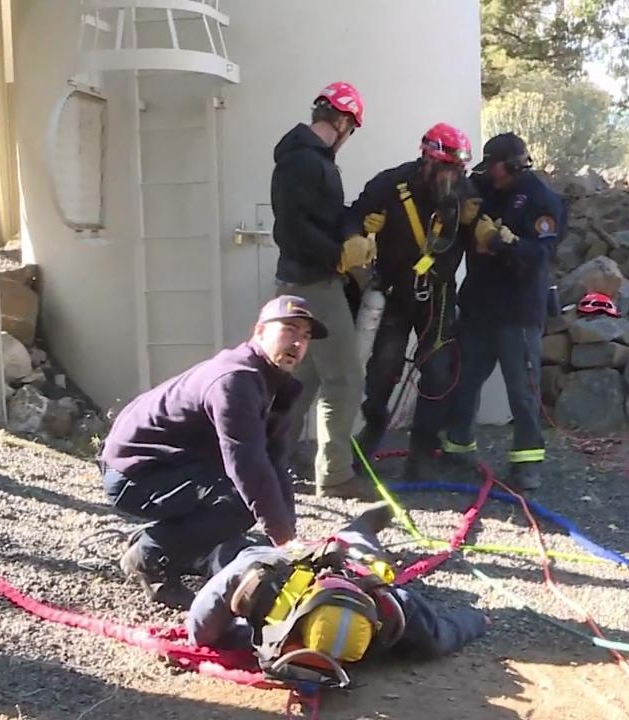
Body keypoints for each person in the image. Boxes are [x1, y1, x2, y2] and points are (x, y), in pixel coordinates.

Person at [98, 295, 327, 608]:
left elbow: (275, 462)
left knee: (246, 504)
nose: (297, 343)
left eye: (305, 336)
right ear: (259, 330)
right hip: (134, 473)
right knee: (240, 503)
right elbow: (248, 465)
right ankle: (149, 556)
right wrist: (284, 540)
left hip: (172, 464)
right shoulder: (237, 380)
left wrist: (292, 542)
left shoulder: (276, 384)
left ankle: (180, 544)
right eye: (289, 329)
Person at [185, 501, 489, 688]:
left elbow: (440, 636)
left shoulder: (393, 609)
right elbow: (439, 635)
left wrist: (476, 620)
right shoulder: (259, 575)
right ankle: (361, 528)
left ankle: (362, 527)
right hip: (311, 560)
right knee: (231, 553)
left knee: (361, 550)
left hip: (356, 566)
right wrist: (478, 619)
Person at [343, 122, 481, 482]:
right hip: (395, 291)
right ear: (427, 160)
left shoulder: (466, 193)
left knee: (438, 374)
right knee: (384, 370)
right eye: (447, 168)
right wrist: (359, 232)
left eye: (459, 169)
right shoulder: (391, 185)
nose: (454, 176)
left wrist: (480, 225)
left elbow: (484, 227)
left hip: (439, 295)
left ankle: (422, 453)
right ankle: (365, 442)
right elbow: (352, 217)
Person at [270, 80, 379, 501]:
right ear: (343, 120)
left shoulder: (313, 160)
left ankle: (272, 458)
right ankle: (334, 476)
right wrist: (338, 256)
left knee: (305, 376)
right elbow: (292, 229)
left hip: (306, 278)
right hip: (313, 282)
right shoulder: (303, 162)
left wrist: (354, 234)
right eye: (352, 126)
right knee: (346, 379)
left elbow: (326, 216)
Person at [440, 133, 566, 491]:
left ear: (509, 165)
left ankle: (527, 463)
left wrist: (502, 243)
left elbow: (543, 253)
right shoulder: (485, 185)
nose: (488, 172)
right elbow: (463, 184)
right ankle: (457, 449)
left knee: (521, 389)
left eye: (492, 165)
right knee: (463, 381)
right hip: (480, 307)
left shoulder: (541, 200)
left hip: (518, 312)